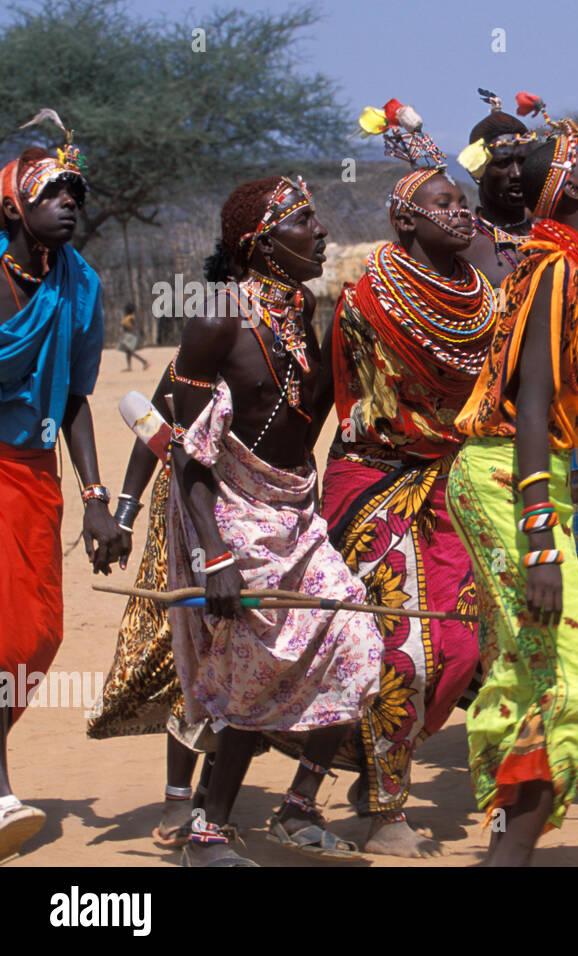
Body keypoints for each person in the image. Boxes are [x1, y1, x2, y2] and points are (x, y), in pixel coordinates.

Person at [168, 176, 383, 866]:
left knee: (356, 641)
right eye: (304, 223)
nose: (319, 233)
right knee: (252, 668)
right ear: (261, 243)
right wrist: (215, 555)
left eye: (316, 221)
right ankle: (206, 829)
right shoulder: (215, 319)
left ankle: (298, 805)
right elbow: (185, 450)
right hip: (231, 513)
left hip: (296, 508)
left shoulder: (304, 306)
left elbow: (306, 414)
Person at [448, 102, 578, 866]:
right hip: (506, 476)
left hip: (528, 474)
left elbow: (575, 407)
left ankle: (505, 855)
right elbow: (530, 405)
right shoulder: (557, 268)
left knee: (531, 673)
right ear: (575, 191)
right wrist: (541, 544)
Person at [323, 108, 490, 857]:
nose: (463, 213)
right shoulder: (368, 300)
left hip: (458, 481)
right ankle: (385, 807)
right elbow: (352, 404)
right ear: (406, 221)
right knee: (404, 650)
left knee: (462, 649)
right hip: (380, 482)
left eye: (463, 202)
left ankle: (371, 763)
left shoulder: (489, 295)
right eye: (446, 205)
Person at [0, 117, 128, 862]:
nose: (71, 203)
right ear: (13, 207)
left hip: (32, 471)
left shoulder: (79, 285)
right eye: (53, 192)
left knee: (38, 635)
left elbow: (76, 398)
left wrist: (96, 496)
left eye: (76, 192)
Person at [87, 368, 213, 849]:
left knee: (242, 649)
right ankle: (178, 798)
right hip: (186, 504)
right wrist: (122, 514)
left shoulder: (290, 334)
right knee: (188, 643)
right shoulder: (209, 333)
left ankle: (211, 797)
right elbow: (152, 421)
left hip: (259, 504)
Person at [458, 90, 537, 286]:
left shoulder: (553, 238)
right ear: (477, 171)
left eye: (523, 161)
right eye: (503, 163)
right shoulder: (461, 246)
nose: (517, 174)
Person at [118, 302, 151, 372]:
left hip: (130, 336)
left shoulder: (131, 318)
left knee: (130, 351)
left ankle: (145, 362)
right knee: (128, 351)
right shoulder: (128, 318)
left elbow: (135, 326)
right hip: (127, 336)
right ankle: (129, 367)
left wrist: (141, 334)